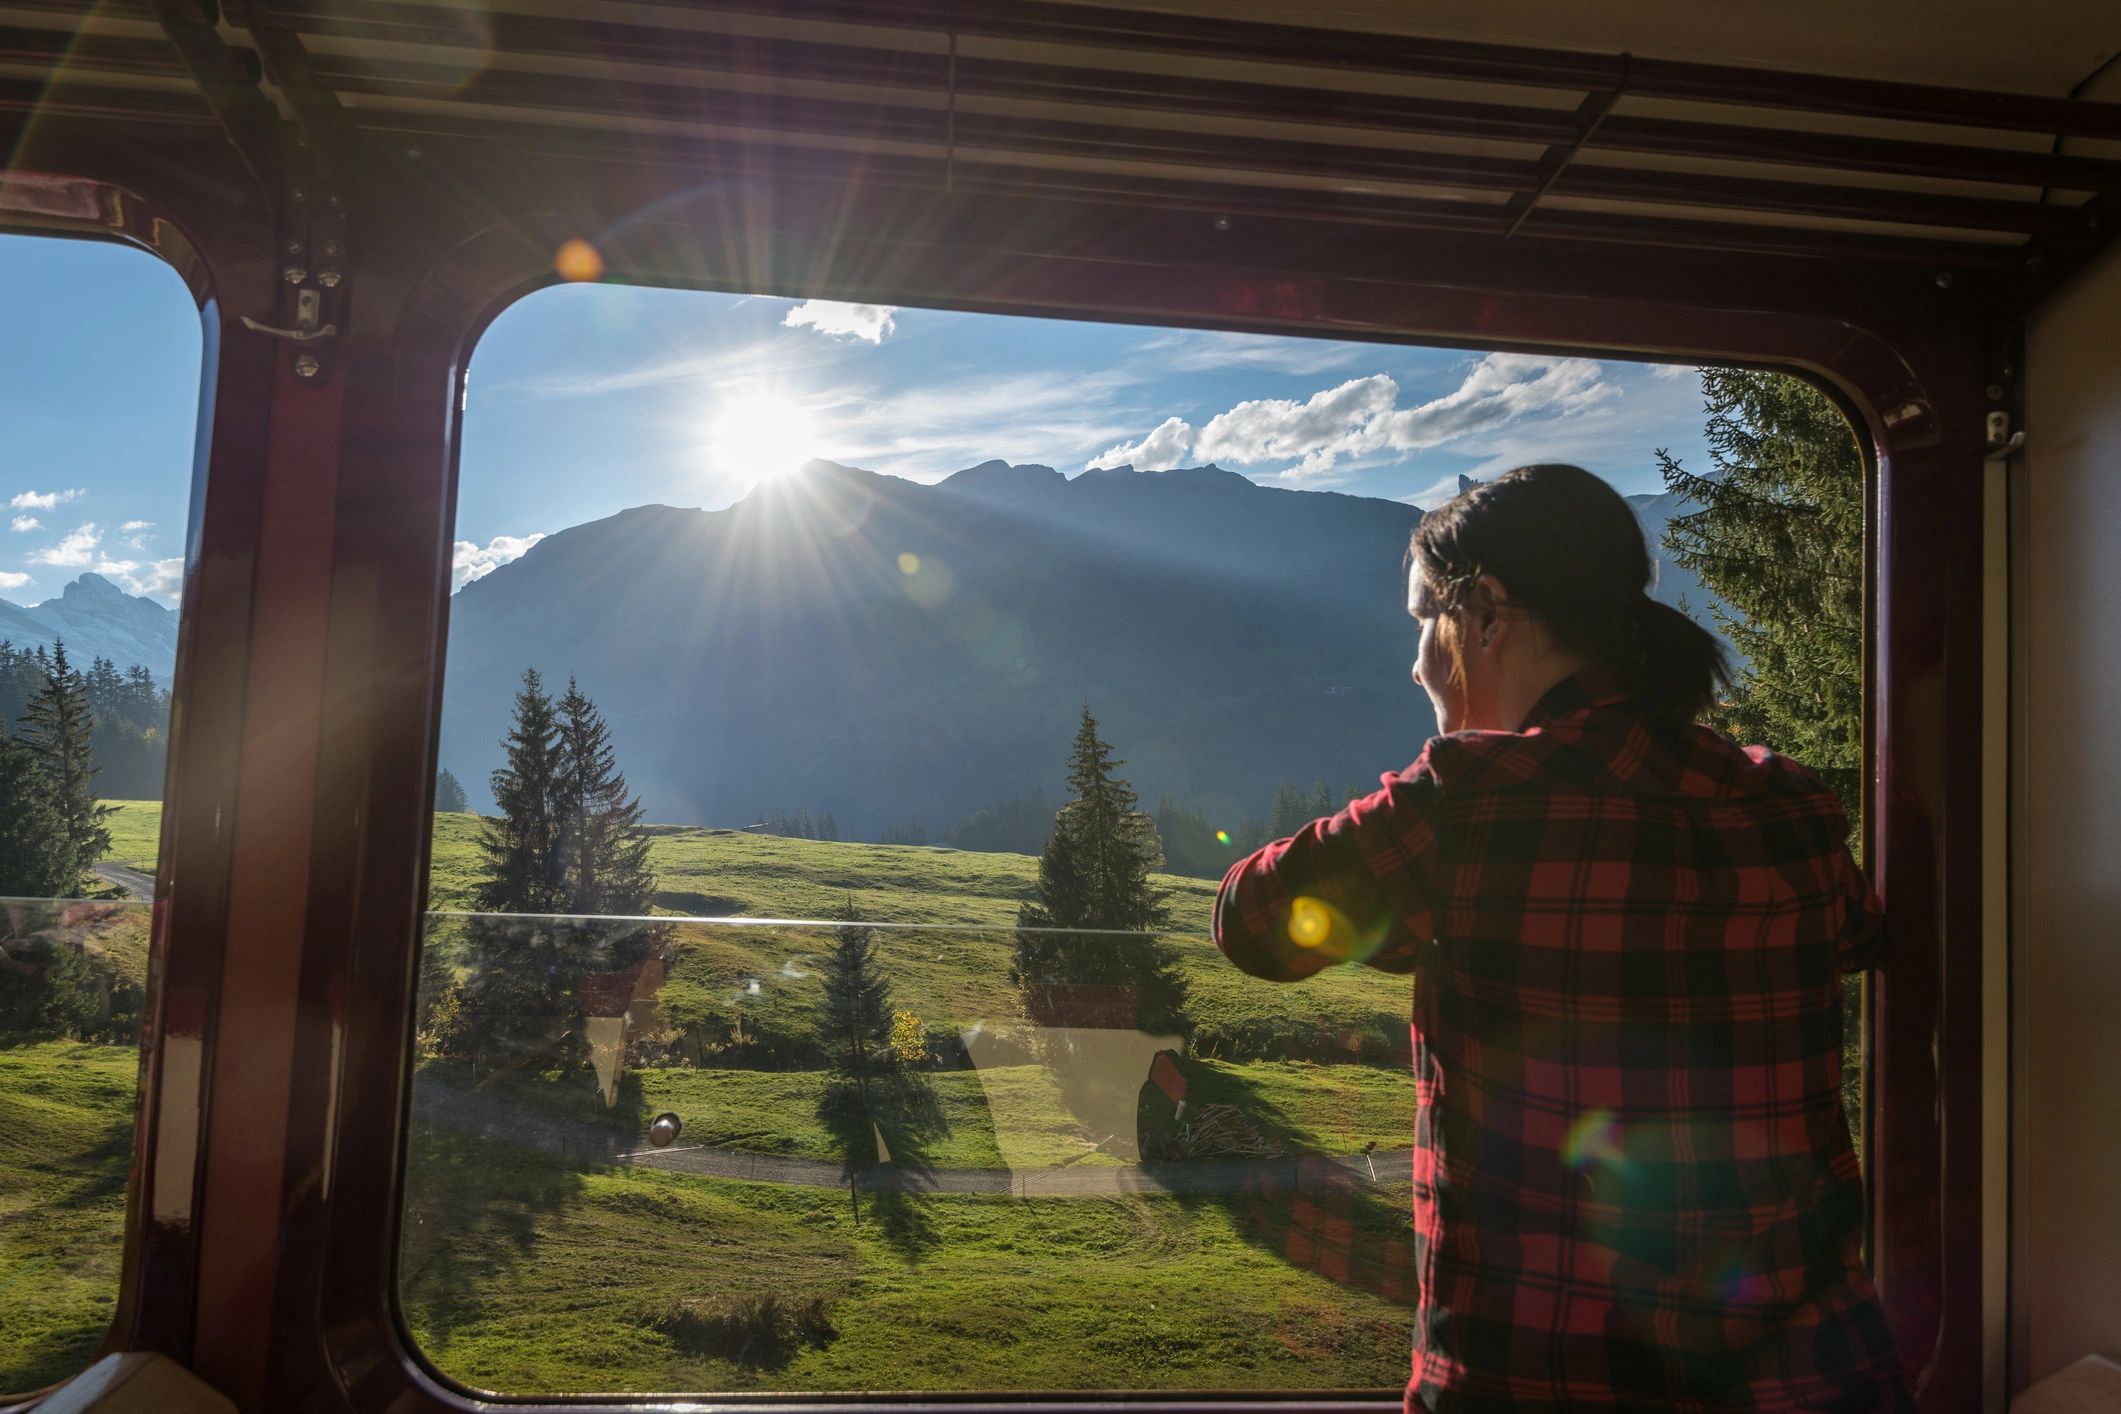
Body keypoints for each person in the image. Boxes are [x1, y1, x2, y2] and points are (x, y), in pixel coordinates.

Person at [1214, 465, 1907, 1411]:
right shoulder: (1784, 797)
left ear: (1486, 610)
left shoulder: (1465, 808)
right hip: (1817, 1382)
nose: (1417, 660)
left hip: (1541, 1378)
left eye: (1424, 618)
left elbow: (1250, 924)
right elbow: (1857, 932)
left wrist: (1417, 895)